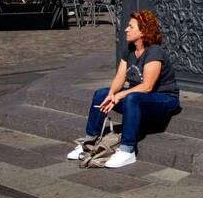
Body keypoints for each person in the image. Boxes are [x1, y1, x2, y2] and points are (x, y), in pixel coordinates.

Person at [67, 10, 180, 168]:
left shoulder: (154, 52)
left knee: (131, 97)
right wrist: (111, 94)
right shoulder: (129, 49)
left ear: (143, 31)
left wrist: (120, 95)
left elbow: (147, 87)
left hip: (164, 98)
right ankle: (89, 143)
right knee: (101, 94)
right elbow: (120, 77)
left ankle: (127, 150)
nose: (126, 29)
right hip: (138, 97)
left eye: (130, 26)